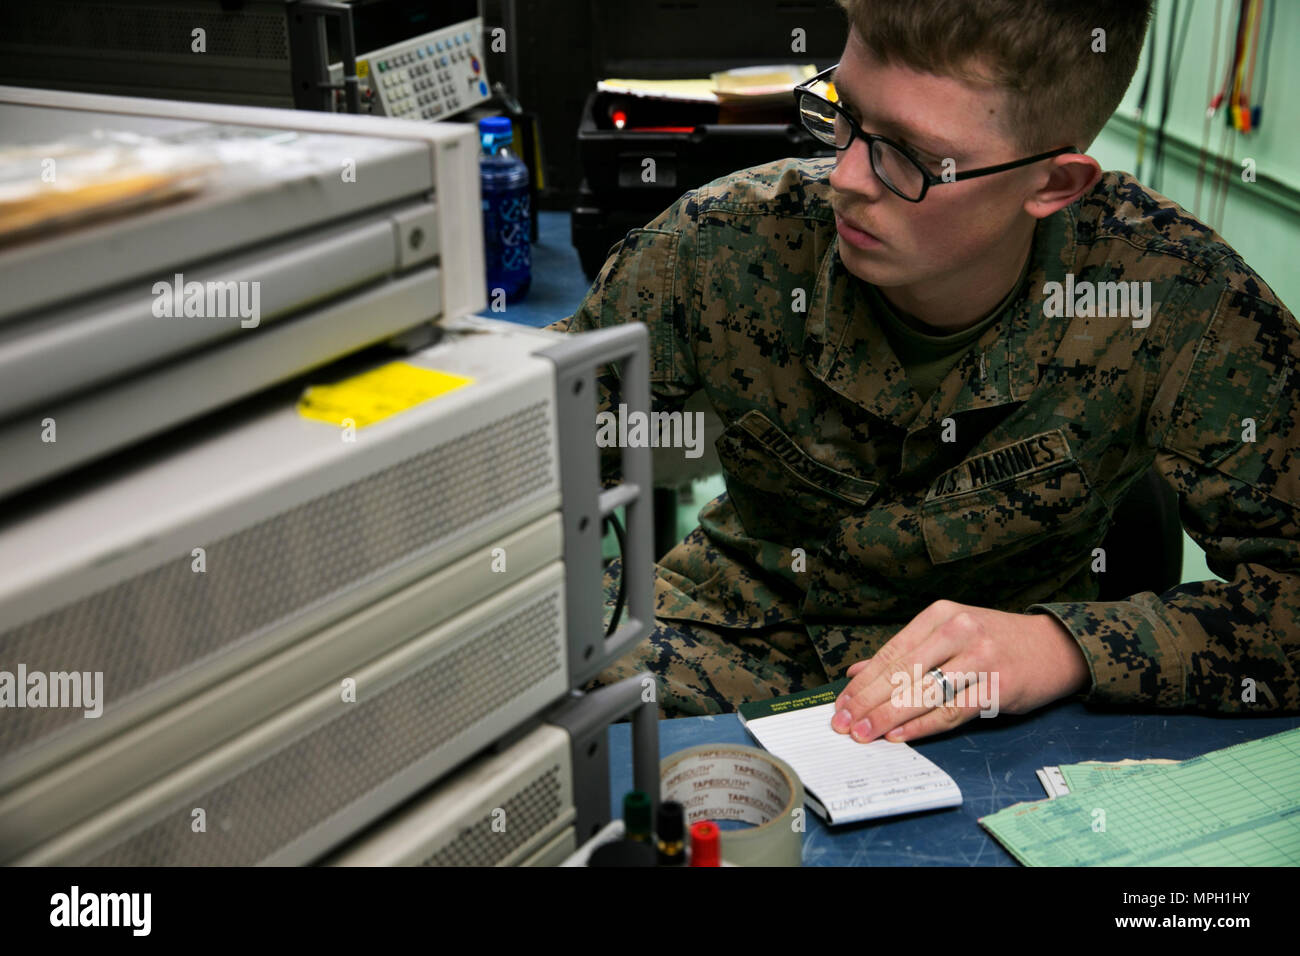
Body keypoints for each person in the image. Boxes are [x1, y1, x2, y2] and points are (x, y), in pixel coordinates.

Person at [547, 0, 1299, 744]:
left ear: (1055, 184)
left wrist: (1065, 648)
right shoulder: (718, 248)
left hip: (1001, 714)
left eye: (911, 157)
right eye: (845, 112)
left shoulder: (1167, 300)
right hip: (723, 646)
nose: (846, 176)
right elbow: (513, 480)